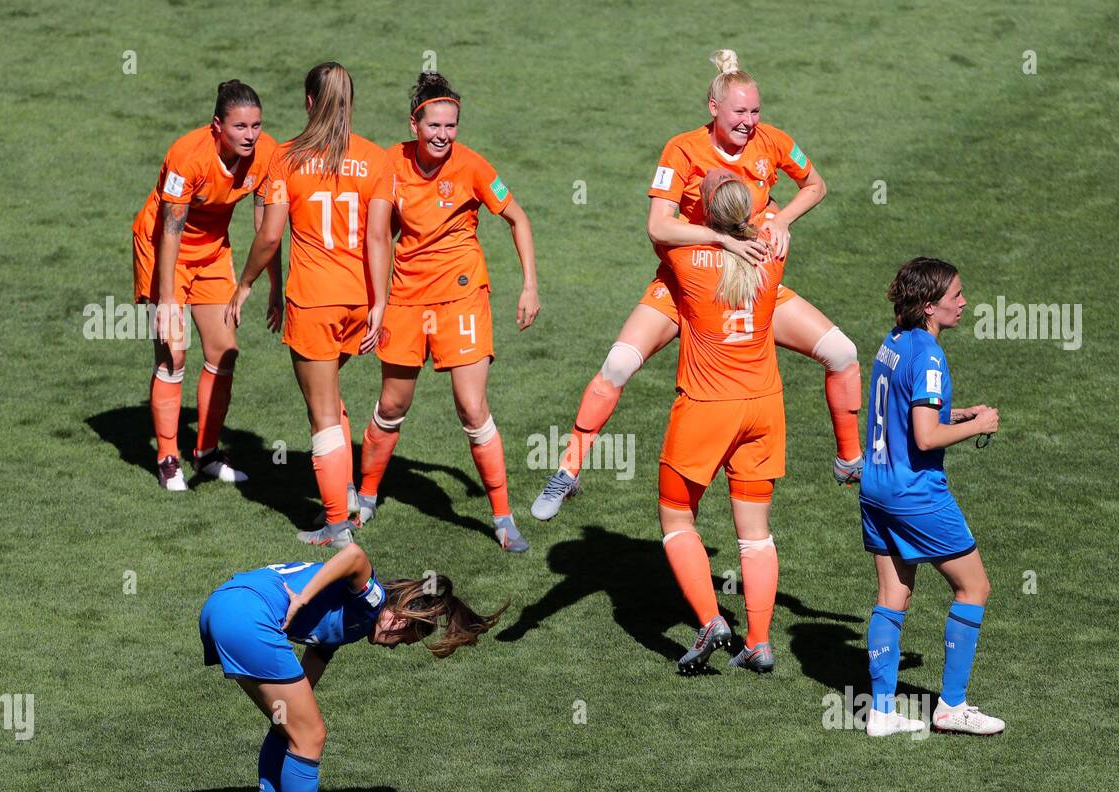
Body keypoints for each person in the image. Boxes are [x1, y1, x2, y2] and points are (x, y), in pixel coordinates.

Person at [531, 48, 862, 522]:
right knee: (618, 364)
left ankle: (848, 462)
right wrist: (720, 239)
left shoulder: (772, 142)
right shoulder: (683, 149)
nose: (749, 122)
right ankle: (568, 469)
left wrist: (783, 218)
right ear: (714, 109)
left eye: (755, 111)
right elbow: (658, 227)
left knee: (843, 353)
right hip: (681, 286)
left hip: (747, 287)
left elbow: (816, 185)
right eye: (740, 112)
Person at [199, 542, 504, 792]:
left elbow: (303, 691)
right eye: (404, 641)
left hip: (221, 607)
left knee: (290, 728)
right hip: (249, 616)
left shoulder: (341, 630)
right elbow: (354, 555)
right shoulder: (372, 601)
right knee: (311, 736)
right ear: (400, 620)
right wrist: (301, 598)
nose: (395, 648)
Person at [361, 71, 540, 553]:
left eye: (451, 125)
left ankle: (502, 517)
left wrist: (529, 285)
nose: (443, 135)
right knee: (393, 404)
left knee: (472, 406)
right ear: (414, 123)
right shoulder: (388, 163)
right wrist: (376, 302)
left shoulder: (472, 166)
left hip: (462, 295)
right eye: (434, 125)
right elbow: (377, 235)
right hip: (405, 297)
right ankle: (366, 495)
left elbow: (518, 218)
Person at [227, 62, 387, 548]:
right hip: (359, 300)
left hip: (314, 302)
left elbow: (270, 235)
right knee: (332, 398)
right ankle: (351, 500)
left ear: (310, 102)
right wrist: (380, 303)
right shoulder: (376, 160)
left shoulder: (287, 158)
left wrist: (247, 285)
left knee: (320, 415)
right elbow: (380, 236)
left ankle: (337, 526)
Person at [859, 257, 1004, 737]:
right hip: (915, 494)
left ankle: (881, 711)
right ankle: (951, 707)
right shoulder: (930, 355)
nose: (963, 303)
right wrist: (979, 426)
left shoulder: (893, 343)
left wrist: (957, 414)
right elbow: (923, 437)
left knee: (892, 595)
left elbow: (907, 409)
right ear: (928, 306)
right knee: (974, 587)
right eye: (955, 296)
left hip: (876, 488)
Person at [657, 170, 788, 674]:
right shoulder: (774, 252)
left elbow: (660, 226)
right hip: (764, 407)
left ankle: (711, 618)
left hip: (708, 406)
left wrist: (710, 234)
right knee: (755, 533)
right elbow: (775, 215)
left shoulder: (687, 259)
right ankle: (759, 641)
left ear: (707, 214)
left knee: (676, 517)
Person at [132, 80, 282, 491]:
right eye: (240, 127)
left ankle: (206, 452)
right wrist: (165, 300)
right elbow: (171, 231)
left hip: (214, 252)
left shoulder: (266, 154)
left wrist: (274, 284)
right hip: (165, 250)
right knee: (173, 354)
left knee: (224, 351)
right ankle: (166, 456)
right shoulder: (187, 156)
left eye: (256, 125)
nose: (251, 135)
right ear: (217, 125)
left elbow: (267, 228)